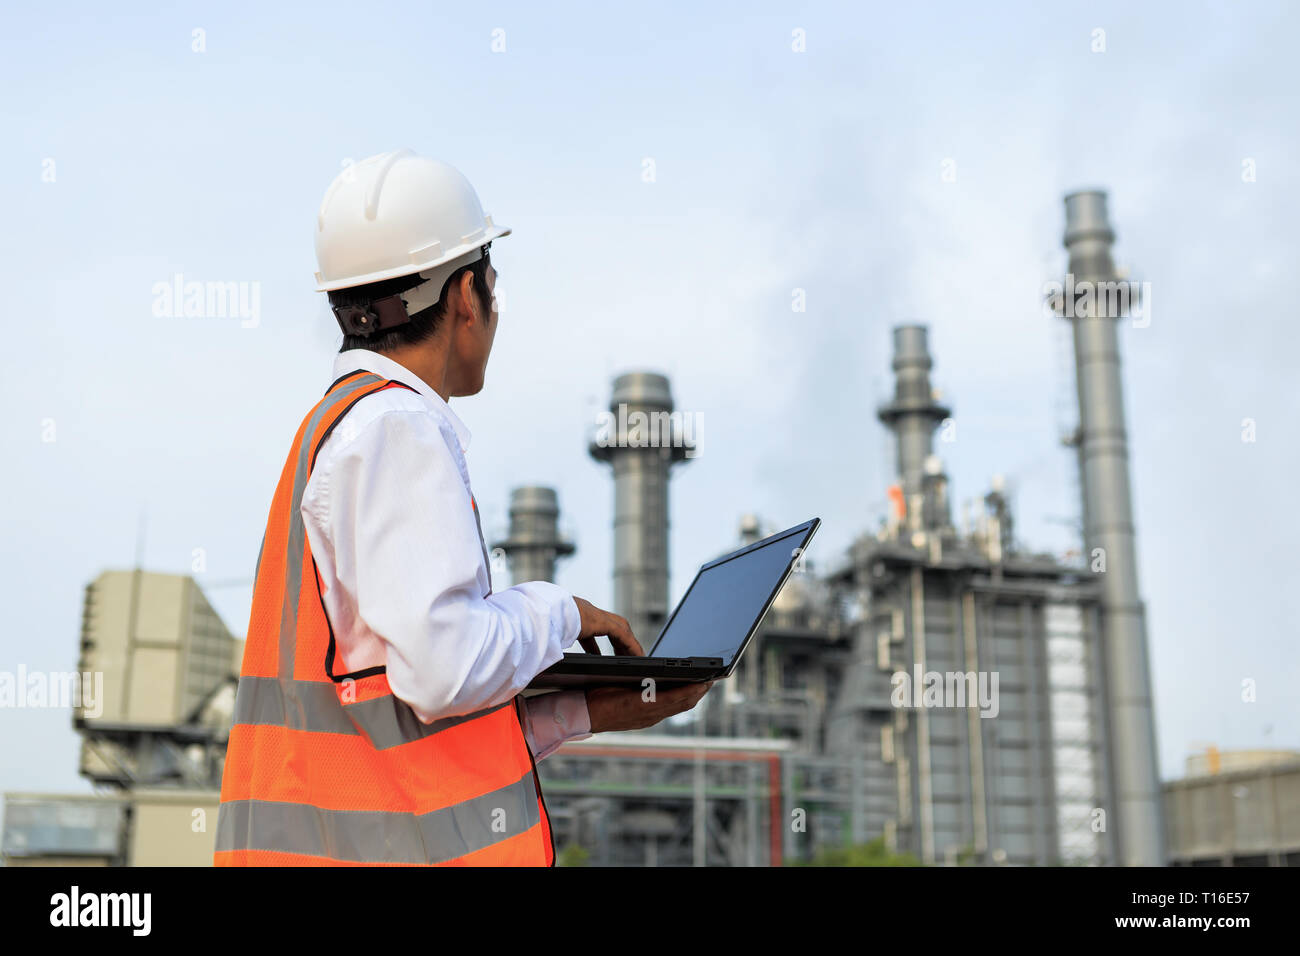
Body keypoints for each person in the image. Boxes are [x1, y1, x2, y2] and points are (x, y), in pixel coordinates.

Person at [213, 150, 710, 866]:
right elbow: (444, 671)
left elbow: (400, 720)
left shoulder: (337, 430)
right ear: (466, 297)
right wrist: (560, 611)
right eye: (493, 287)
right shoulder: (396, 429)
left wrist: (589, 710)